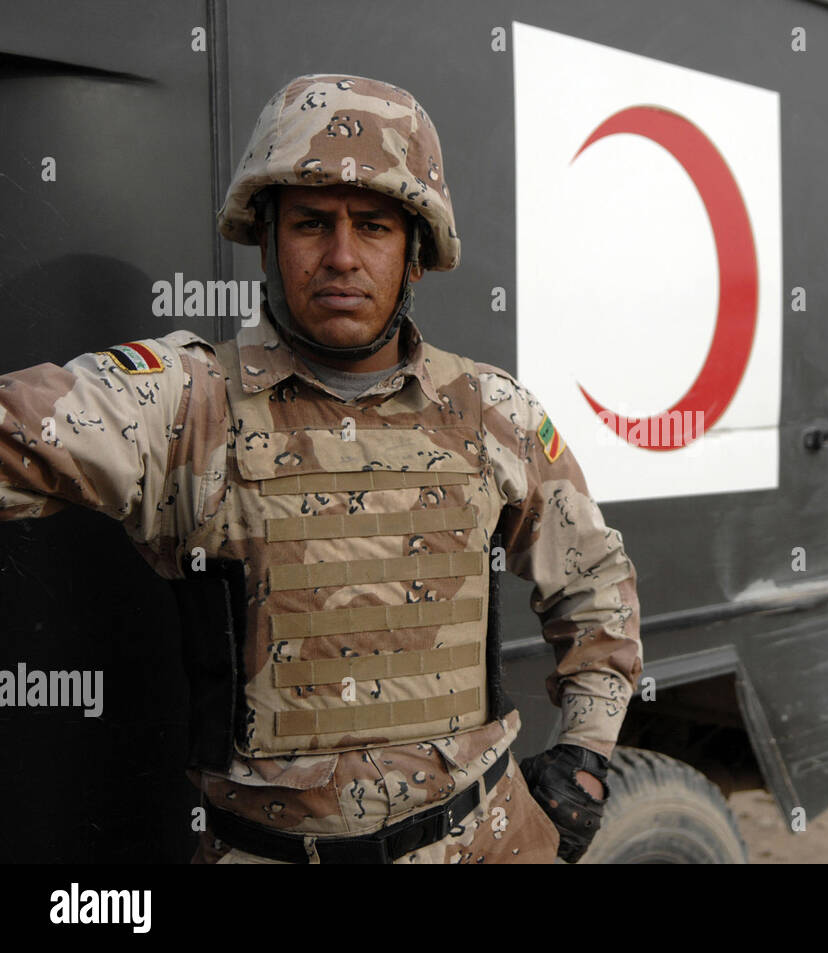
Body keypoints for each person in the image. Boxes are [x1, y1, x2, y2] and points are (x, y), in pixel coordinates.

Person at [0, 74, 643, 865]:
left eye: (373, 226)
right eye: (311, 223)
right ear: (267, 239)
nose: (341, 257)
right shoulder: (184, 404)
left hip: (484, 841)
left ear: (415, 252)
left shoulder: (490, 410)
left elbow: (594, 580)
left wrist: (586, 752)